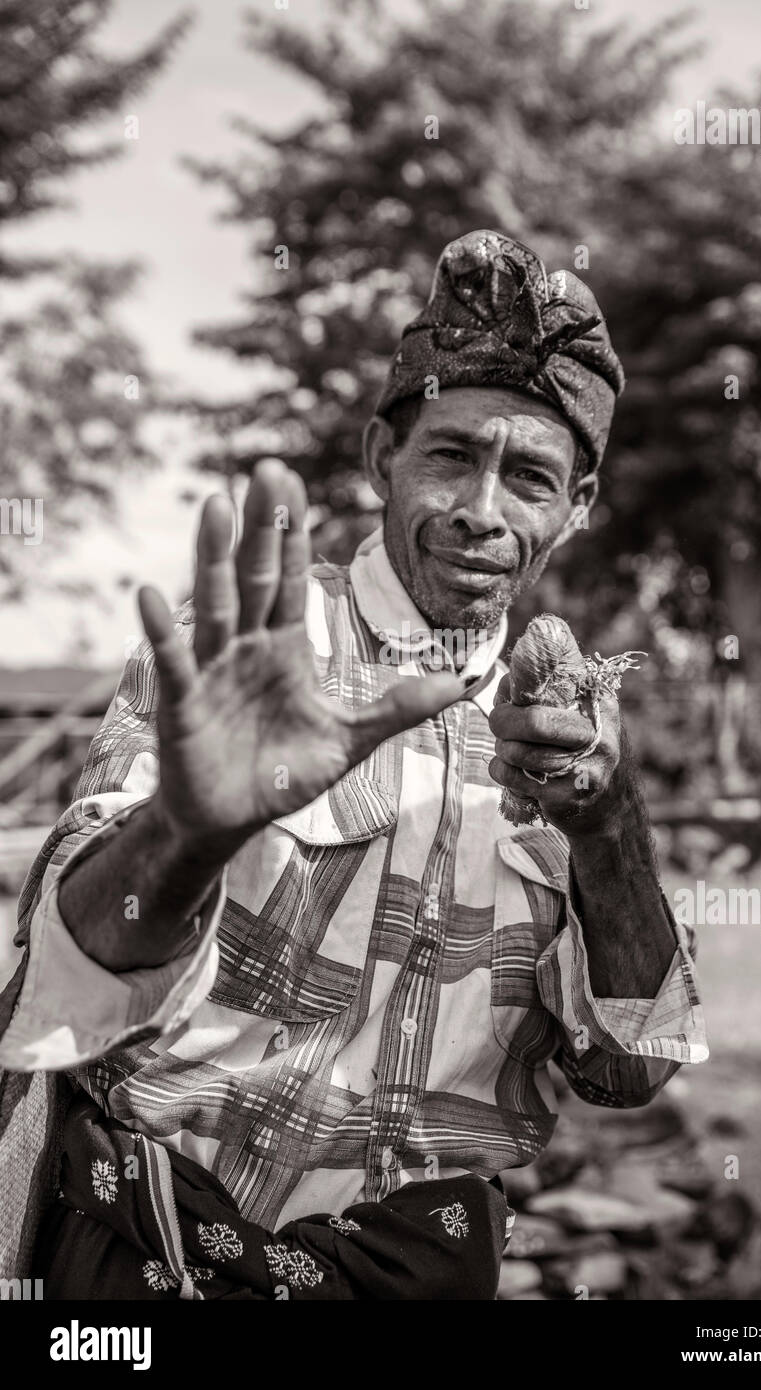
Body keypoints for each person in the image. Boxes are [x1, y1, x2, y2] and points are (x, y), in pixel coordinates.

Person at [0, 230, 707, 1300]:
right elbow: (71, 964)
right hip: (144, 1266)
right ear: (383, 457)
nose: (480, 510)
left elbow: (629, 1068)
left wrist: (605, 824)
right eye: (448, 454)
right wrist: (192, 828)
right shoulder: (253, 655)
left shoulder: (564, 722)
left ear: (576, 508)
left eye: (528, 476)